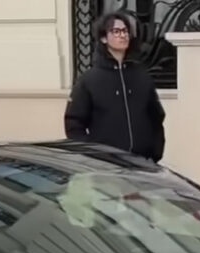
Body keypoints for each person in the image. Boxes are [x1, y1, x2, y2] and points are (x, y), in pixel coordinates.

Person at [63, 12, 166, 162]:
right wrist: (94, 155)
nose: (122, 35)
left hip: (142, 163)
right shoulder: (89, 80)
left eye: (125, 31)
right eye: (116, 31)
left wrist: (155, 153)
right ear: (104, 38)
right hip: (107, 167)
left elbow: (156, 117)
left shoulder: (142, 76)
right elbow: (74, 124)